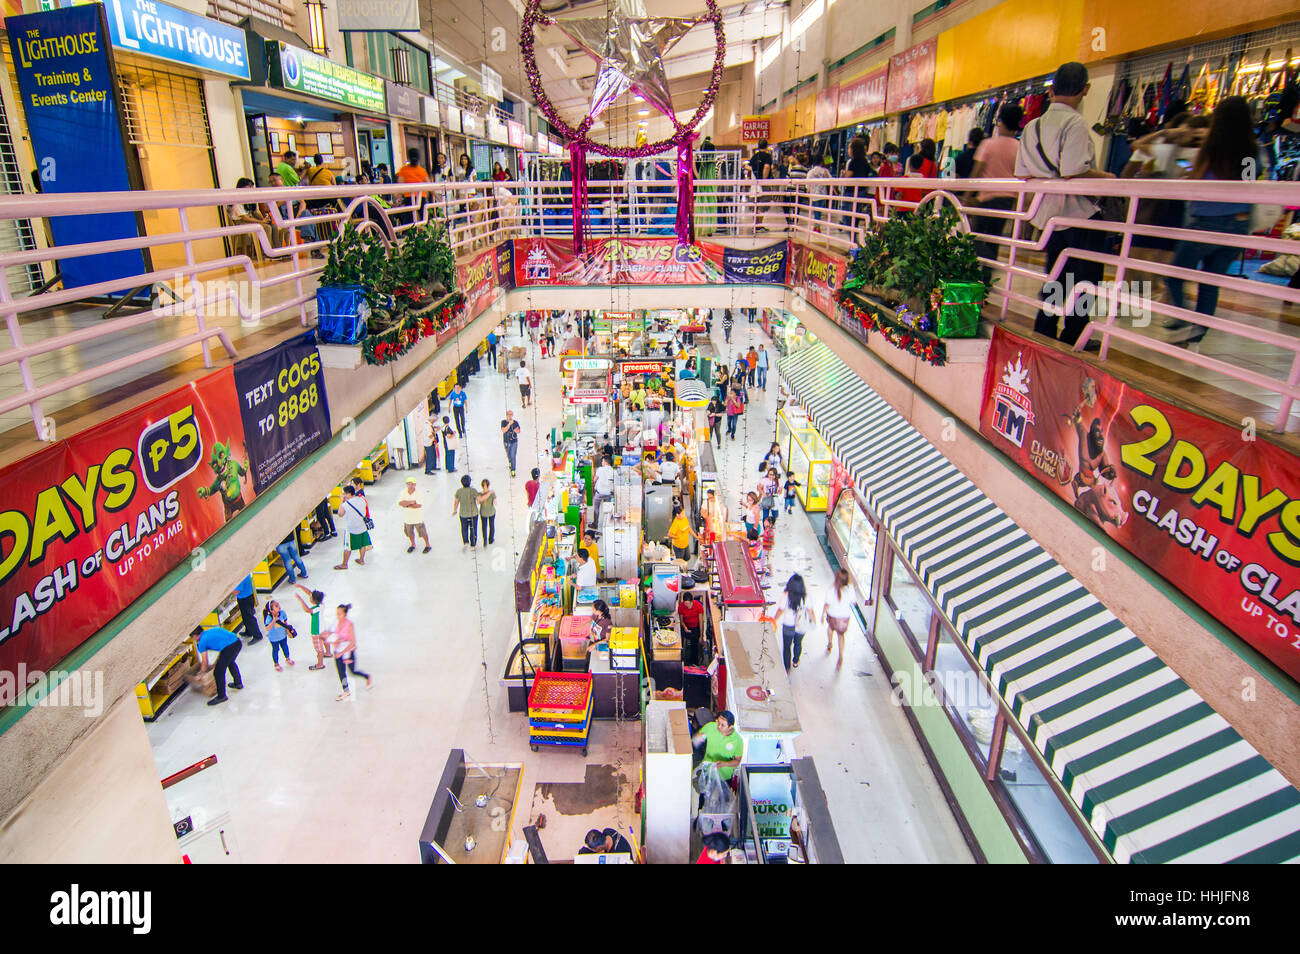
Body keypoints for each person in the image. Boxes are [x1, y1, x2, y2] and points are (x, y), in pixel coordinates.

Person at [1015, 61, 1116, 347]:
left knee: (1056, 275)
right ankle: (1074, 334)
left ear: (1052, 90)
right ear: (1085, 89)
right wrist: (1108, 176)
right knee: (1085, 279)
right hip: (1079, 214)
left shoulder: (1033, 126)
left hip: (1048, 215)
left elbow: (1022, 172)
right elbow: (1073, 169)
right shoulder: (1075, 123)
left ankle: (1044, 327)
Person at [1162, 96, 1260, 345]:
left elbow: (1195, 180)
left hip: (1206, 221)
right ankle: (1198, 332)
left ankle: (1181, 316)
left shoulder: (1211, 146)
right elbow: (1249, 185)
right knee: (1210, 281)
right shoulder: (1250, 150)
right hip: (1238, 224)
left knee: (1175, 275)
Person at [970, 103, 1024, 264]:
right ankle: (987, 273)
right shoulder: (1019, 147)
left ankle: (982, 267)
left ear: (1000, 121)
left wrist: (968, 195)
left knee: (975, 236)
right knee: (994, 238)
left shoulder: (988, 144)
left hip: (986, 199)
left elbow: (976, 171)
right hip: (1007, 200)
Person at [323, 603, 371, 700]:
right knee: (341, 672)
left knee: (352, 671)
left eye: (340, 614)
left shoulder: (349, 625)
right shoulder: (335, 623)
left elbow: (352, 642)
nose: (338, 616)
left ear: (345, 614)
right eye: (337, 613)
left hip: (348, 652)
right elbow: (331, 634)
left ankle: (366, 676)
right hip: (338, 651)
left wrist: (341, 652)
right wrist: (333, 641)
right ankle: (346, 691)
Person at [772, 573, 813, 672]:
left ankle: (787, 669)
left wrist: (773, 619)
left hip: (788, 625)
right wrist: (813, 621)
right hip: (801, 626)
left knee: (787, 647)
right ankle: (795, 661)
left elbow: (780, 610)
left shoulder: (785, 595)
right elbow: (810, 611)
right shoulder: (806, 597)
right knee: (798, 643)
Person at [195, 625, 243, 706]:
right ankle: (238, 683)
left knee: (218, 672)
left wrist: (201, 674)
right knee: (230, 662)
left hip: (229, 648)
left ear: (194, 636)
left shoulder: (201, 642)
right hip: (237, 642)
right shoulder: (212, 630)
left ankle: (221, 696)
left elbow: (205, 661)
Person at [692, 710, 744, 783]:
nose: (719, 726)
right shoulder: (710, 727)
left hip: (724, 777)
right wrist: (697, 739)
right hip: (708, 771)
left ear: (730, 727)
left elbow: (737, 761)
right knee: (704, 793)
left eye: (722, 725)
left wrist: (725, 764)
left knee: (722, 794)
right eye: (718, 722)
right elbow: (697, 739)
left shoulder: (737, 740)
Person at [822, 568, 855, 670]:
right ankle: (840, 657)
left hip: (833, 615)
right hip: (844, 617)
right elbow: (854, 602)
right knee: (841, 636)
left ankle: (830, 643)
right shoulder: (850, 589)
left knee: (830, 629)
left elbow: (827, 604)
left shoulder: (832, 589)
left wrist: (822, 615)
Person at [293, 584, 329, 671]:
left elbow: (307, 610)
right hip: (323, 629)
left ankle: (320, 664)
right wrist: (301, 587)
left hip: (317, 632)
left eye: (310, 597)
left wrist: (300, 599)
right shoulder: (321, 604)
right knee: (325, 641)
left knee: (319, 650)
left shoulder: (316, 609)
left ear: (313, 601)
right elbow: (309, 593)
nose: (309, 597)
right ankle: (328, 653)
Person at [335, 485, 372, 569]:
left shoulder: (346, 504)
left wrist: (342, 501)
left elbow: (340, 514)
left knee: (348, 547)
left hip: (351, 529)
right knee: (363, 544)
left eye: (344, 493)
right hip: (362, 527)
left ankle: (344, 564)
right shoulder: (362, 499)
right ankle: (361, 560)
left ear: (348, 494)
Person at [397, 478, 431, 554]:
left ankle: (427, 545)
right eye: (408, 484)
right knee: (409, 533)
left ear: (415, 485)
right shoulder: (403, 492)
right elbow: (400, 503)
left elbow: (418, 505)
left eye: (412, 484)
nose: (410, 486)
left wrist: (406, 504)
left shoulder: (419, 493)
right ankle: (413, 544)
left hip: (417, 518)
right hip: (408, 518)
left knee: (423, 532)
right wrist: (411, 502)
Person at [262, 599, 295, 671]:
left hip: (283, 636)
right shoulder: (269, 618)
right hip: (274, 638)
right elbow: (267, 628)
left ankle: (287, 658)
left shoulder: (282, 613)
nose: (279, 607)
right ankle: (276, 663)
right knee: (275, 650)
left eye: (278, 605)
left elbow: (285, 623)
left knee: (285, 647)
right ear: (271, 610)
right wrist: (274, 620)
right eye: (276, 606)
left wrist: (288, 631)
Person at [452, 474, 479, 549]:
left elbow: (456, 502)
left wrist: (455, 510)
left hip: (463, 514)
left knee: (464, 528)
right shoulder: (473, 490)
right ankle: (473, 544)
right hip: (473, 513)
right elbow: (478, 500)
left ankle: (465, 542)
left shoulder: (459, 491)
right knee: (473, 528)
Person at [678, 589, 704, 664]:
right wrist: (685, 627)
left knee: (695, 645)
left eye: (689, 604)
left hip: (695, 627)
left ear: (692, 601)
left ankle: (695, 662)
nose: (687, 606)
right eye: (686, 604)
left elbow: (700, 621)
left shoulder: (698, 606)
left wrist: (701, 636)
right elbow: (681, 620)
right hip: (686, 627)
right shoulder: (681, 607)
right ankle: (684, 660)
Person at [234, 574, 262, 643]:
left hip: (245, 599)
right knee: (245, 617)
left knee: (249, 618)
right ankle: (249, 632)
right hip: (247, 597)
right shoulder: (246, 573)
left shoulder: (241, 577)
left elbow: (235, 592)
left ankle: (257, 636)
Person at [807, 154, 833, 223]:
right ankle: (817, 225)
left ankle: (817, 226)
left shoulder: (811, 172)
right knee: (819, 211)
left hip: (814, 194)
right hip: (823, 194)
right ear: (822, 162)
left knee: (816, 212)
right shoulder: (825, 171)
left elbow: (808, 184)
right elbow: (831, 180)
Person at [501, 410, 521, 477]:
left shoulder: (515, 422)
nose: (510, 416)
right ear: (506, 415)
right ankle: (510, 461)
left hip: (513, 442)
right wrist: (509, 424)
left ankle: (513, 470)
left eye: (511, 414)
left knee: (513, 456)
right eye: (508, 414)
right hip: (506, 442)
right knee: (509, 454)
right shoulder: (503, 422)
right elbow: (504, 430)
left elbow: (518, 431)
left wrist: (515, 428)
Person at [477, 479, 497, 546]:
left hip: (483, 513)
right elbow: (495, 503)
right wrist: (490, 494)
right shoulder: (492, 493)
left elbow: (478, 502)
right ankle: (491, 539)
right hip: (491, 512)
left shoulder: (479, 494)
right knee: (491, 525)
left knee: (484, 526)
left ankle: (485, 540)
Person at [759, 514, 776, 579]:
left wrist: (762, 543)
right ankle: (771, 573)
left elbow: (772, 543)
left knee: (764, 563)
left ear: (770, 524)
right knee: (768, 561)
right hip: (765, 548)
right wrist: (760, 536)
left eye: (766, 521)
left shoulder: (771, 532)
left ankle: (762, 577)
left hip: (767, 550)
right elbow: (764, 534)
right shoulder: (766, 529)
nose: (764, 522)